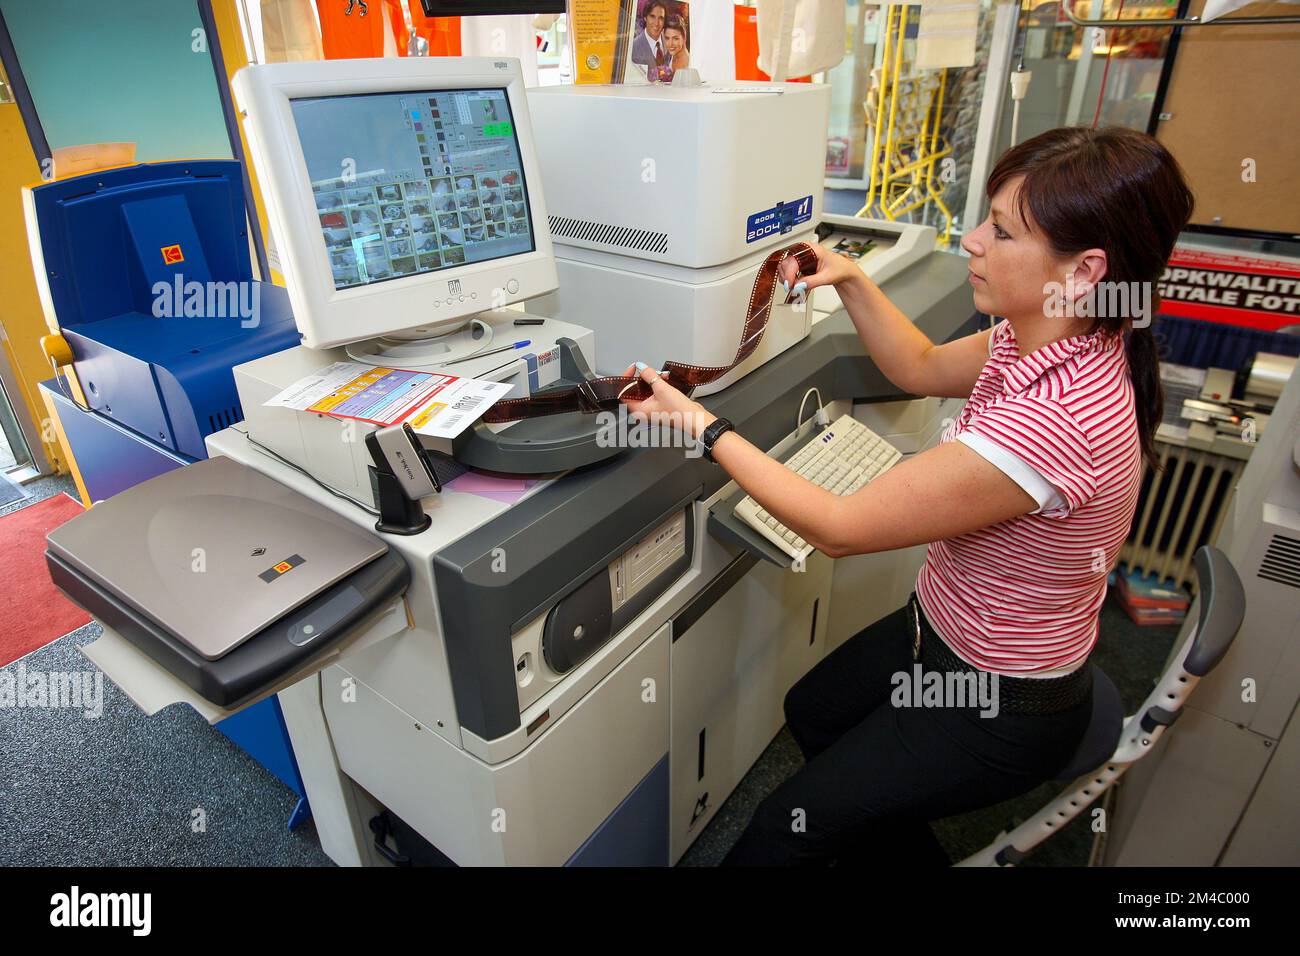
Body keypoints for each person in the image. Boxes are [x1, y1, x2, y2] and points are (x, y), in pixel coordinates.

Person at [618, 126, 1194, 865]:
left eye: (1004, 232)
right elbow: (919, 366)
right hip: (941, 627)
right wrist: (853, 277)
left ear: (1083, 270)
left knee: (778, 831)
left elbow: (839, 527)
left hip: (996, 700)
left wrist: (702, 427)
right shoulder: (1051, 332)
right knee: (814, 712)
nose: (974, 240)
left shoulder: (1061, 416)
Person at [631, 2, 670, 73]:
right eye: (652, 16)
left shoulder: (669, 40)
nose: (656, 23)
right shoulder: (634, 47)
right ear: (645, 18)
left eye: (661, 18)